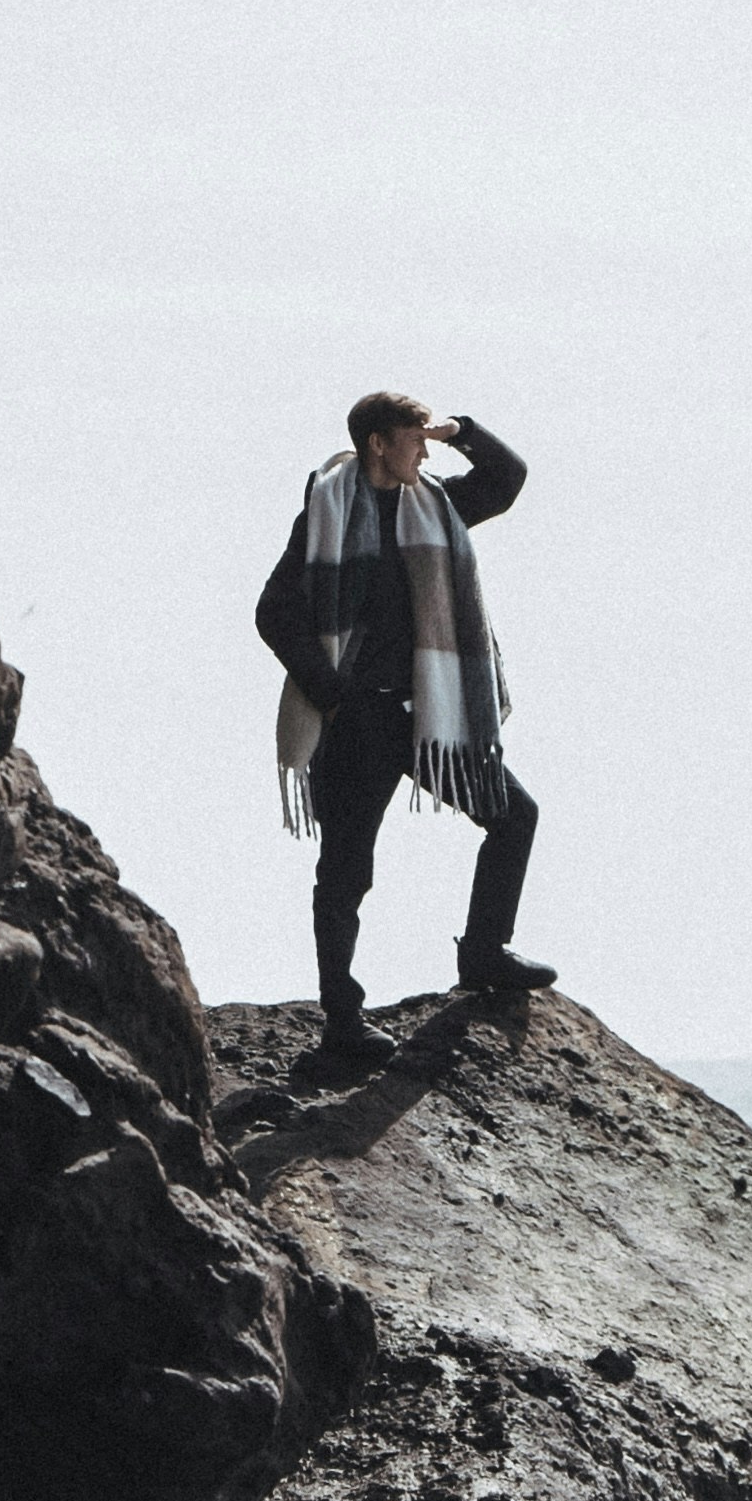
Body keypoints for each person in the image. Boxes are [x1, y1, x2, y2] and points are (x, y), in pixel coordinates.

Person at [256, 391, 551, 1069]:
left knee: (514, 816)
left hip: (429, 717)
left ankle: (484, 953)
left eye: (426, 439)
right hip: (357, 720)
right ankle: (342, 1021)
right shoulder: (326, 515)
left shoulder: (437, 504)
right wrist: (330, 693)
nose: (423, 448)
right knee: (345, 870)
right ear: (377, 444)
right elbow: (273, 611)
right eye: (412, 437)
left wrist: (459, 431)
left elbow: (508, 478)